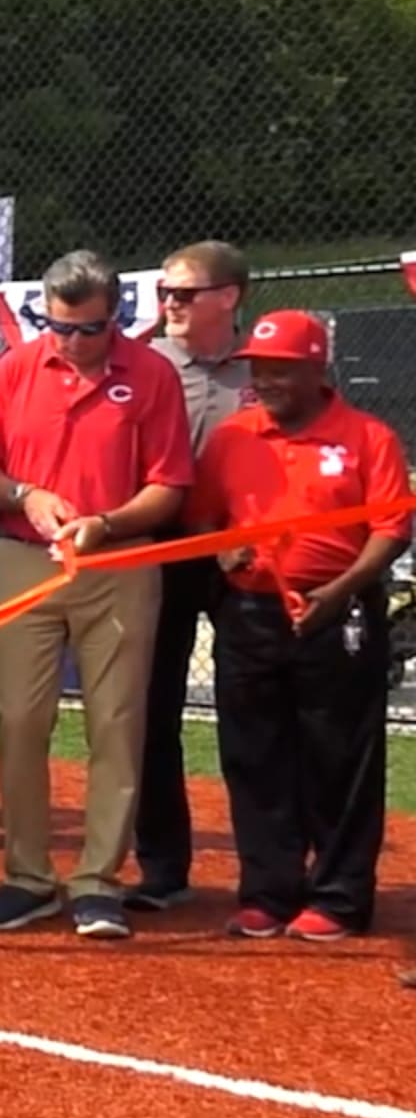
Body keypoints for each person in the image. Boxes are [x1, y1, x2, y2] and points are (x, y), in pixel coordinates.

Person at [0, 250, 192, 940]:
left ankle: (97, 881)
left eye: (86, 330)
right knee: (20, 718)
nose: (69, 342)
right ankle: (27, 876)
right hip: (25, 561)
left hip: (118, 565)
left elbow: (170, 485)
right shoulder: (15, 370)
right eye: (57, 327)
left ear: (114, 317)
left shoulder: (150, 375)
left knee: (117, 725)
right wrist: (26, 497)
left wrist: (110, 522)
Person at [184, 311, 406, 942]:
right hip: (250, 612)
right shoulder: (232, 437)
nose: (266, 380)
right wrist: (223, 549)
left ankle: (338, 896)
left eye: (280, 369)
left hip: (337, 612)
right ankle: (268, 890)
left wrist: (338, 592)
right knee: (255, 756)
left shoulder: (367, 437)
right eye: (259, 368)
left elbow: (392, 529)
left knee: (340, 756)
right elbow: (204, 519)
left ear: (316, 369)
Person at [131, 239, 252, 912]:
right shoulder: (147, 365)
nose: (169, 304)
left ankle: (269, 870)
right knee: (153, 711)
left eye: (184, 293)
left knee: (254, 717)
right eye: (165, 293)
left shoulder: (267, 366)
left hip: (247, 556)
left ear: (228, 297)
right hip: (166, 548)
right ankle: (163, 867)